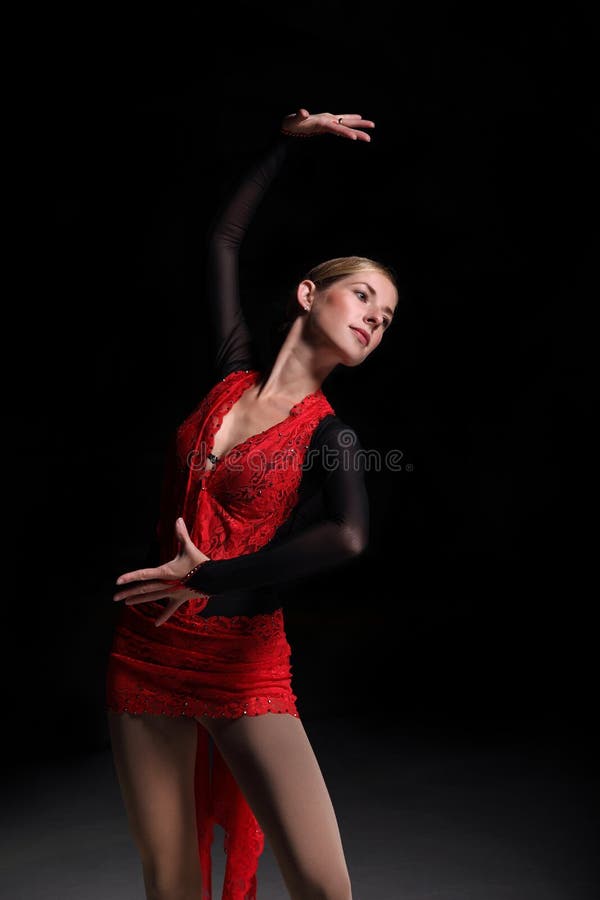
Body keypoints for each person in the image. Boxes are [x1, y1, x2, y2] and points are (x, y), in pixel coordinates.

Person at [106, 106, 399, 900]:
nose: (376, 316)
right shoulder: (232, 373)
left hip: (241, 666)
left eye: (388, 317)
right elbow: (222, 243)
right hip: (145, 653)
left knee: (322, 885)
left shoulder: (330, 436)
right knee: (171, 883)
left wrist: (208, 577)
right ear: (309, 294)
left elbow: (346, 537)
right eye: (365, 296)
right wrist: (283, 145)